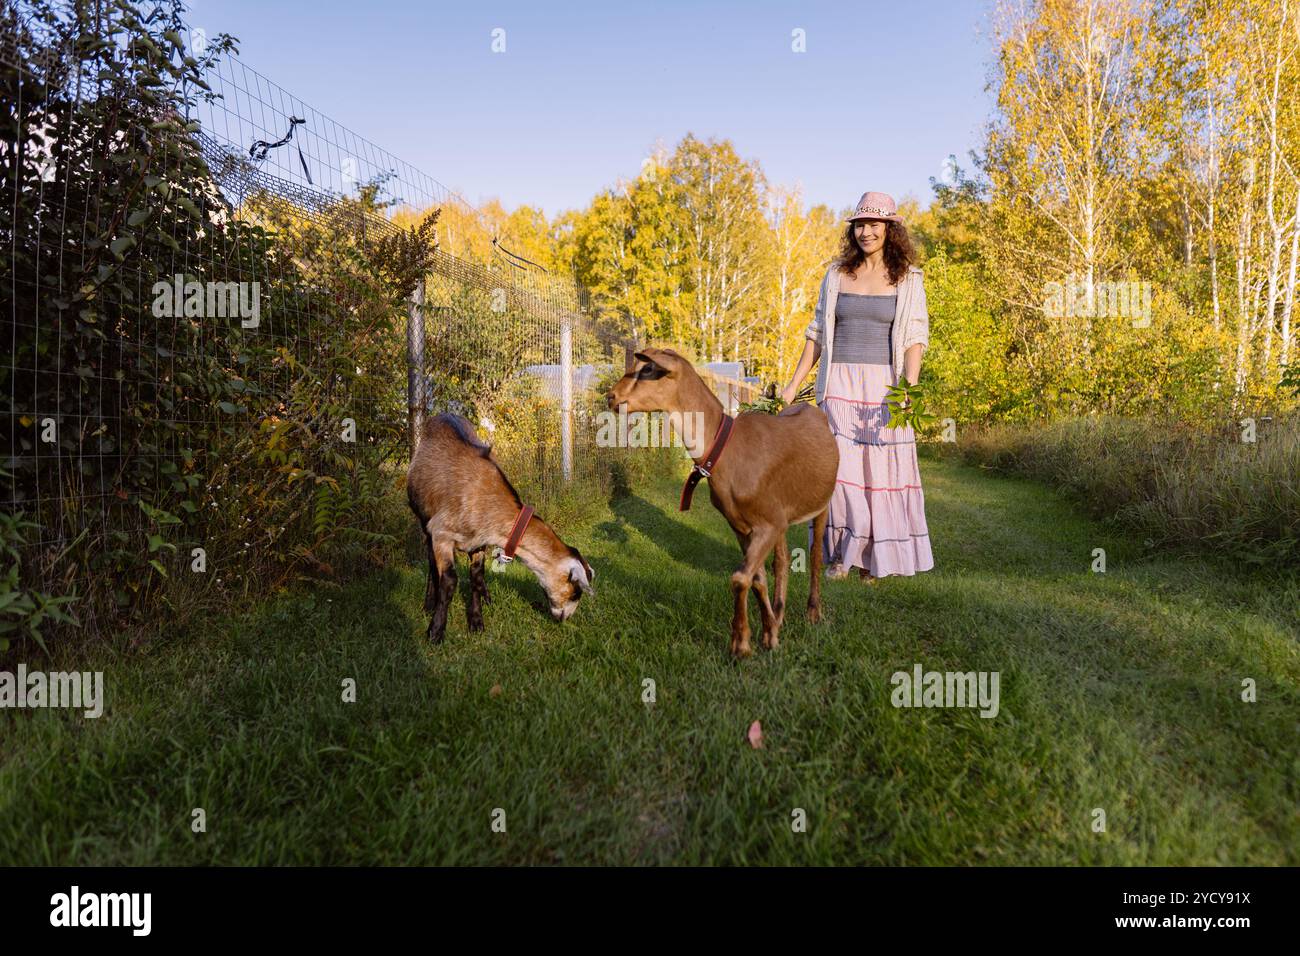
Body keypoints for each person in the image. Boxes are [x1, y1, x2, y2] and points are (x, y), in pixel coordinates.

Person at [780, 191, 934, 581]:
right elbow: (816, 332)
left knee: (881, 475)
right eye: (860, 225)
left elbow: (915, 336)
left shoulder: (908, 279)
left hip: (884, 387)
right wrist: (793, 383)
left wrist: (908, 390)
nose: (866, 232)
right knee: (841, 474)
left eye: (874, 224)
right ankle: (842, 555)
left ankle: (874, 560)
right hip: (839, 385)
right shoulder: (836, 275)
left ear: (890, 229)